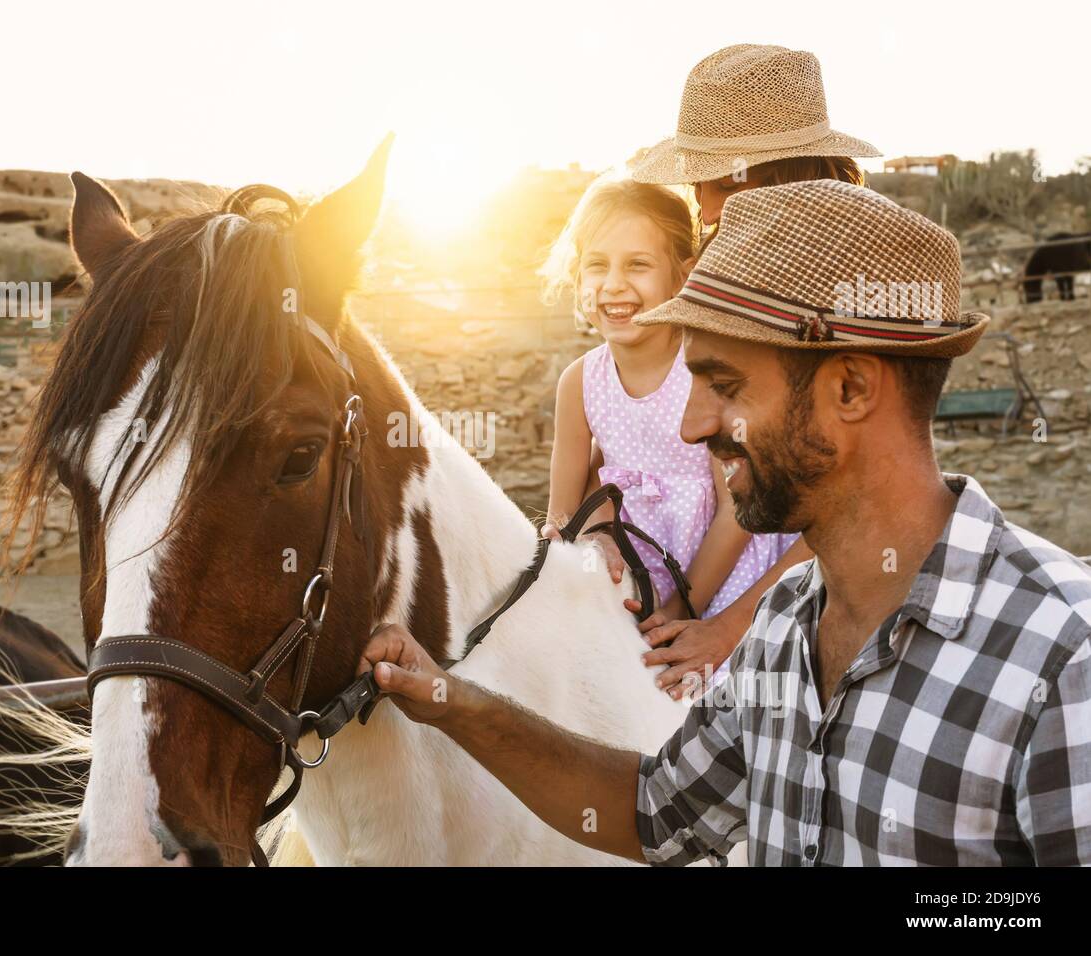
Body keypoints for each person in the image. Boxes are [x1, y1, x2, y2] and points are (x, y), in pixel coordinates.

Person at [358, 180, 1091, 865]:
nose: (690, 425)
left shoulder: (1063, 660)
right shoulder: (779, 629)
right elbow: (654, 809)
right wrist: (452, 701)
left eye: (725, 385)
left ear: (850, 386)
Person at [622, 42, 882, 696]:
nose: (701, 204)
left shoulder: (839, 298)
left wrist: (731, 627)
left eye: (712, 178)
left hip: (834, 587)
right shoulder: (737, 275)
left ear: (766, 177)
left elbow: (848, 500)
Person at [540, 176, 798, 654]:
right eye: (596, 266)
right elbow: (564, 510)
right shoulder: (579, 383)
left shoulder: (704, 372)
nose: (614, 285)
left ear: (684, 275)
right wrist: (597, 538)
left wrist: (682, 606)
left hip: (716, 579)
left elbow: (735, 515)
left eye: (638, 265)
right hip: (633, 577)